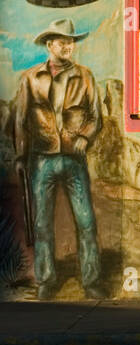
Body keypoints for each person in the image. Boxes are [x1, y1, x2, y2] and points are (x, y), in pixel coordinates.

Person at [12, 17, 103, 300]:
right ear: (50, 44)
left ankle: (91, 281)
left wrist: (84, 138)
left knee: (86, 222)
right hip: (41, 159)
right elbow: (21, 120)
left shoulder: (86, 77)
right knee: (41, 224)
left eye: (71, 41)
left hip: (74, 159)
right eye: (63, 41)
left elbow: (96, 117)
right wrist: (20, 156)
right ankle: (46, 281)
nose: (69, 46)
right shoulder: (30, 78)